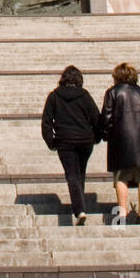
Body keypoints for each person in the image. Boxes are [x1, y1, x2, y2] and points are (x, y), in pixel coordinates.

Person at [41, 65, 102, 226]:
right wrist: (97, 137)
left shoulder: (54, 96)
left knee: (72, 175)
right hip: (85, 140)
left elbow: (46, 122)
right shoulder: (85, 95)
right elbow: (96, 118)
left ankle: (79, 210)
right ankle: (80, 206)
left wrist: (51, 142)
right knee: (80, 173)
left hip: (65, 141)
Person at [100, 62, 140, 225]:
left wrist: (105, 134)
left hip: (120, 141)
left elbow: (106, 118)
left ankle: (122, 213)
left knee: (121, 177)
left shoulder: (112, 92)